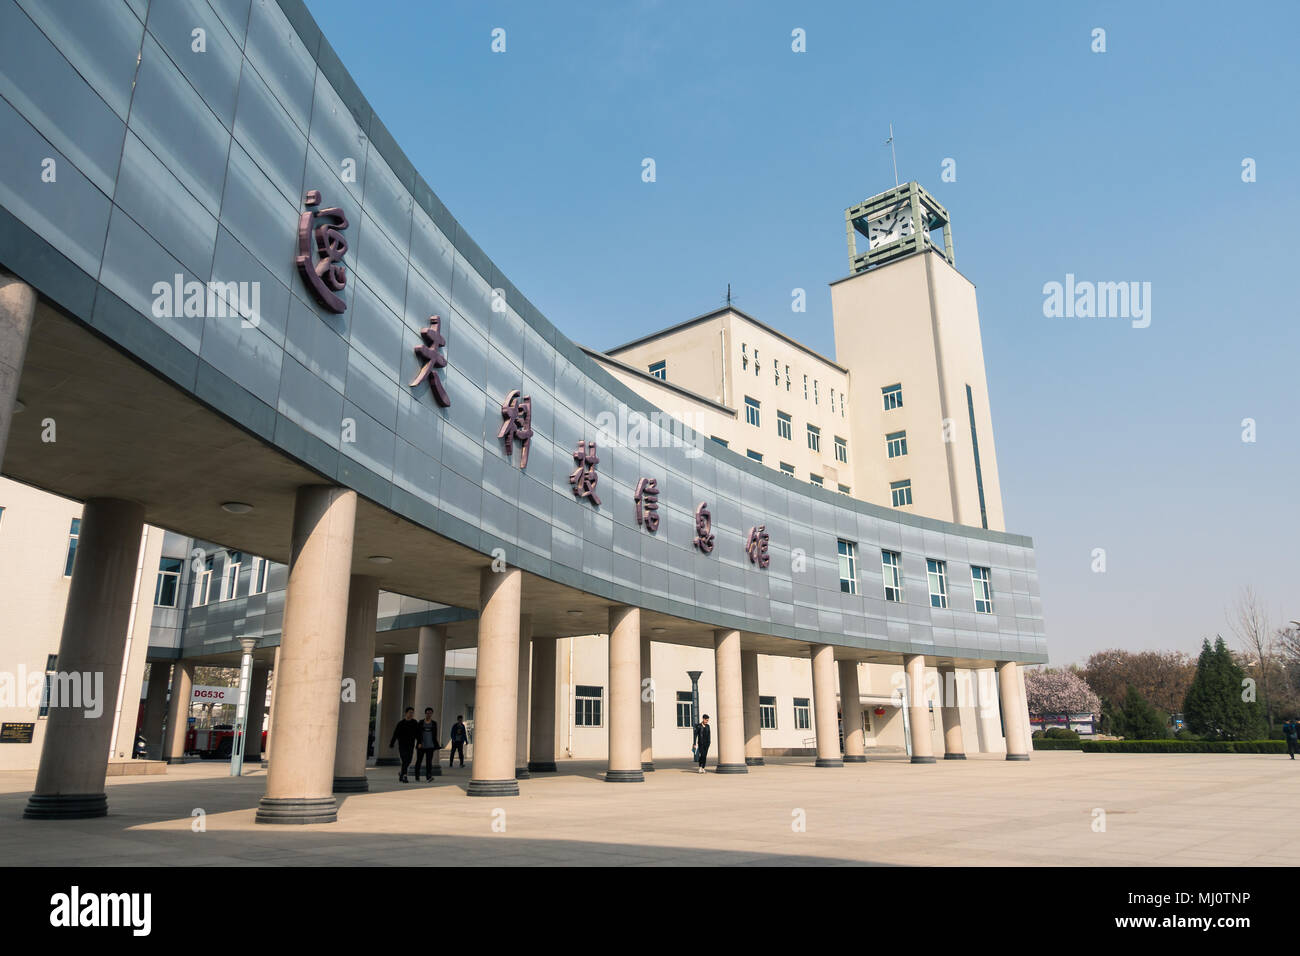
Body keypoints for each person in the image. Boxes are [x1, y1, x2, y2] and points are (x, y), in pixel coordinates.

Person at [389, 706, 420, 782]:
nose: (411, 714)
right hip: (402, 744)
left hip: (411, 744)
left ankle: (401, 773)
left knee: (408, 760)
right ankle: (405, 776)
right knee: (404, 760)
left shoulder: (415, 722)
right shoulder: (401, 723)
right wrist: (392, 743)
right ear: (406, 713)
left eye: (412, 713)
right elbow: (395, 734)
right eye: (410, 712)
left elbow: (418, 734)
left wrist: (419, 742)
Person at [413, 707, 440, 781]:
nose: (429, 714)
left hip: (430, 746)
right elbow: (417, 733)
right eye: (427, 713)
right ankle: (417, 775)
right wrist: (419, 742)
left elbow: (435, 735)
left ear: (432, 714)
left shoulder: (434, 723)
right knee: (419, 761)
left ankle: (428, 776)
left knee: (429, 762)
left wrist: (435, 744)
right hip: (421, 745)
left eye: (430, 713)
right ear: (425, 714)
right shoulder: (421, 722)